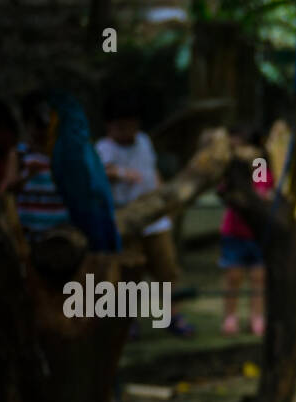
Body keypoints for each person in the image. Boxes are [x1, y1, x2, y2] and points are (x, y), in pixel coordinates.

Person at [95, 90, 194, 337]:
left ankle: (172, 315)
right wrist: (119, 174)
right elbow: (99, 174)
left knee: (166, 269)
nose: (127, 130)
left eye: (131, 123)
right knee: (129, 272)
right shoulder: (103, 148)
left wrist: (166, 205)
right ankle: (129, 321)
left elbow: (152, 173)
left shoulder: (144, 142)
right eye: (121, 124)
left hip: (155, 220)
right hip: (126, 220)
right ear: (109, 125)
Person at [218, 125, 269, 336]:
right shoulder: (229, 165)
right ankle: (230, 317)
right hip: (234, 232)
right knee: (233, 276)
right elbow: (223, 190)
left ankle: (256, 317)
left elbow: (262, 191)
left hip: (256, 233)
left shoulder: (259, 163)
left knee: (258, 277)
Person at [14, 91, 69, 238]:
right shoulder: (18, 155)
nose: (45, 131)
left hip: (61, 239)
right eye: (39, 125)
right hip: (27, 238)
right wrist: (25, 176)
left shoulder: (67, 157)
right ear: (26, 123)